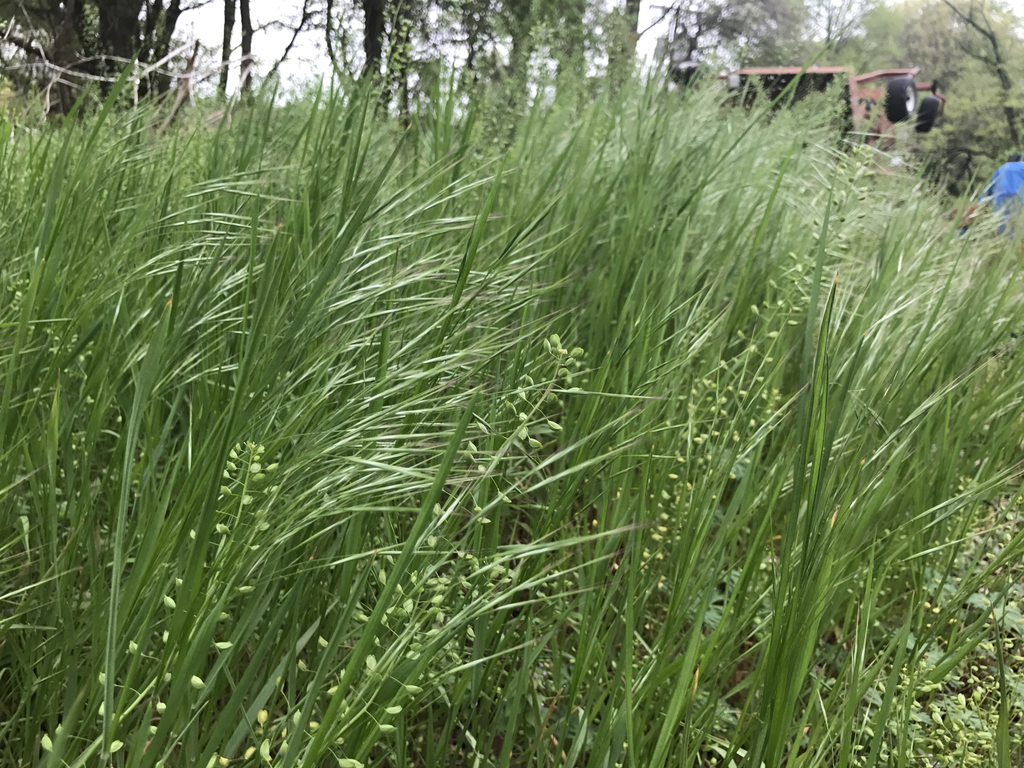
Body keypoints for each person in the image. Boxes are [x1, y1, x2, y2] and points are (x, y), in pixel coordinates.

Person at [980, 152, 1024, 236]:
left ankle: (1003, 239)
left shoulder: (1002, 168)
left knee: (1002, 222)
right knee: (1015, 223)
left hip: (1000, 198)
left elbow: (990, 188)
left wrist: (983, 202)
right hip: (1017, 198)